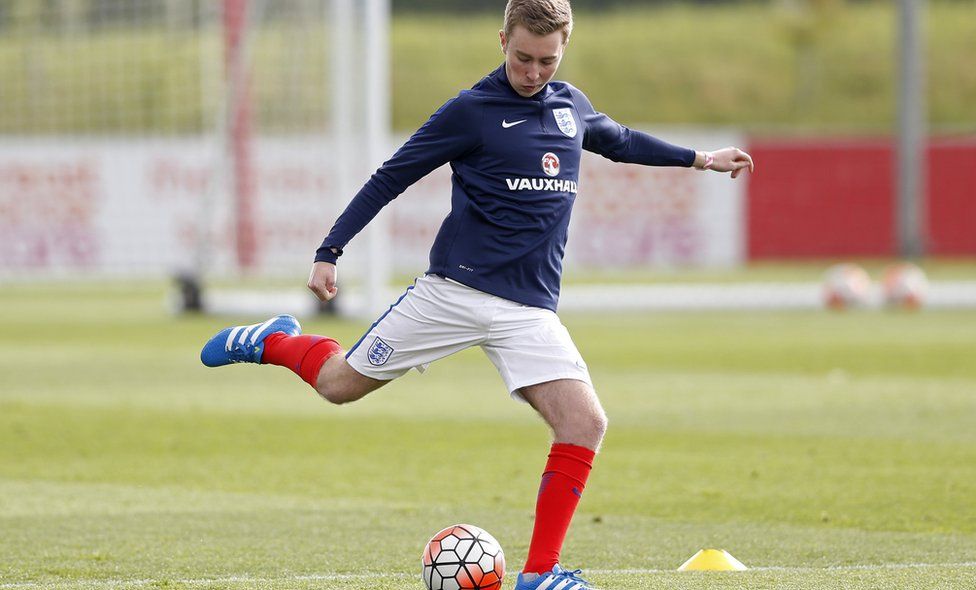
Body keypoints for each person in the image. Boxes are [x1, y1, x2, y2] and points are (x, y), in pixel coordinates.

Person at [201, 1, 754, 588]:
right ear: (502, 41)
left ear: (563, 49)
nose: (534, 71)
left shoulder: (570, 104)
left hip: (528, 310)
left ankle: (541, 574)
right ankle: (276, 340)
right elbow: (392, 176)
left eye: (547, 60)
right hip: (453, 294)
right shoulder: (471, 111)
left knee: (584, 423)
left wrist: (698, 158)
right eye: (522, 57)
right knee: (338, 386)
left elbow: (617, 140)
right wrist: (329, 251)